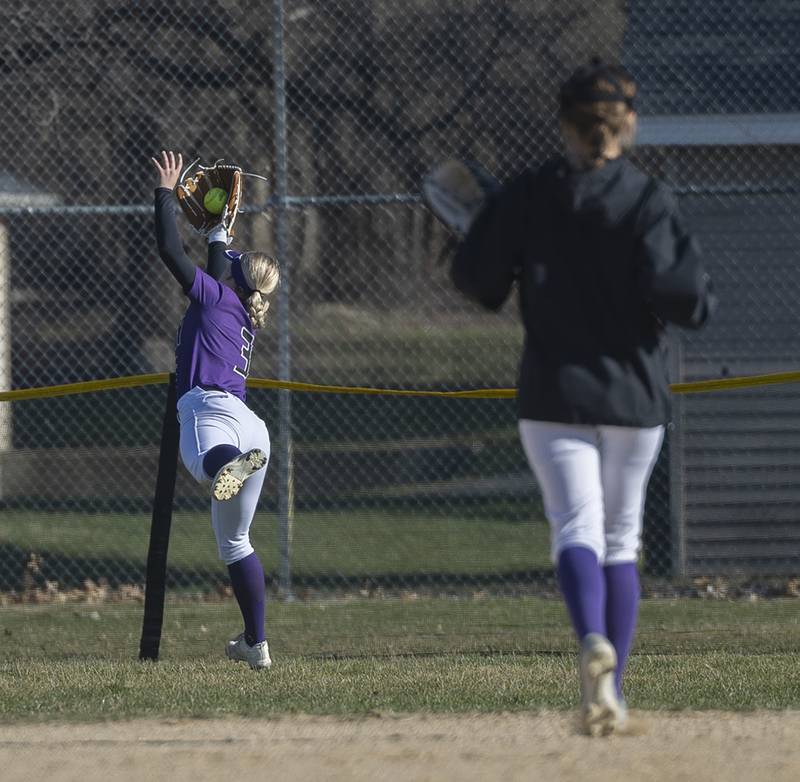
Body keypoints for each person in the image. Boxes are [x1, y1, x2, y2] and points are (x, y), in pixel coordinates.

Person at [450, 59, 715, 735]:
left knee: (576, 527)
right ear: (628, 124)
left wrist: (488, 237)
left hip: (554, 390)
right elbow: (688, 300)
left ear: (563, 123)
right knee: (621, 539)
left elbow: (478, 280)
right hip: (634, 391)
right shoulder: (647, 197)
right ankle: (613, 692)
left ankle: (589, 640)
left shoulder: (531, 194)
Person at [151, 150, 281, 670]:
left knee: (207, 463)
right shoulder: (241, 309)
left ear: (237, 277)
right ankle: (256, 644)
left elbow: (166, 247)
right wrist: (217, 231)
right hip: (255, 430)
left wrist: (164, 192)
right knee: (235, 542)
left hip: (213, 413)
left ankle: (225, 463)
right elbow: (223, 265)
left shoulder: (213, 297)